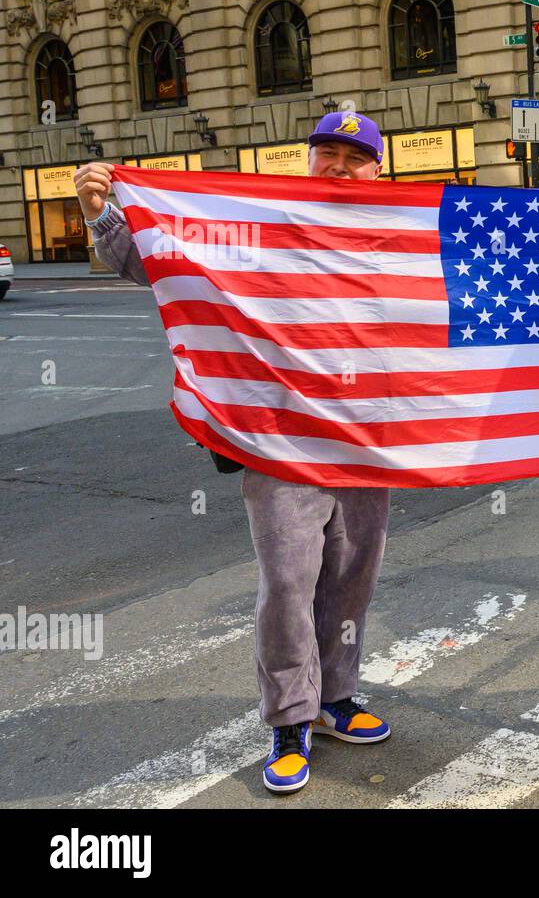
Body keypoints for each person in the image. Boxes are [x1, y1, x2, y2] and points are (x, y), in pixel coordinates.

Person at [73, 111, 396, 794]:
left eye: (354, 157)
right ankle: (289, 718)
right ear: (307, 160)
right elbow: (156, 260)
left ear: (378, 169)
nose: (338, 167)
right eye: (326, 154)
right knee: (287, 583)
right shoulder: (262, 222)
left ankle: (336, 698)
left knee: (352, 578)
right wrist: (101, 212)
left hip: (367, 443)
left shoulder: (402, 231)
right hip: (279, 441)